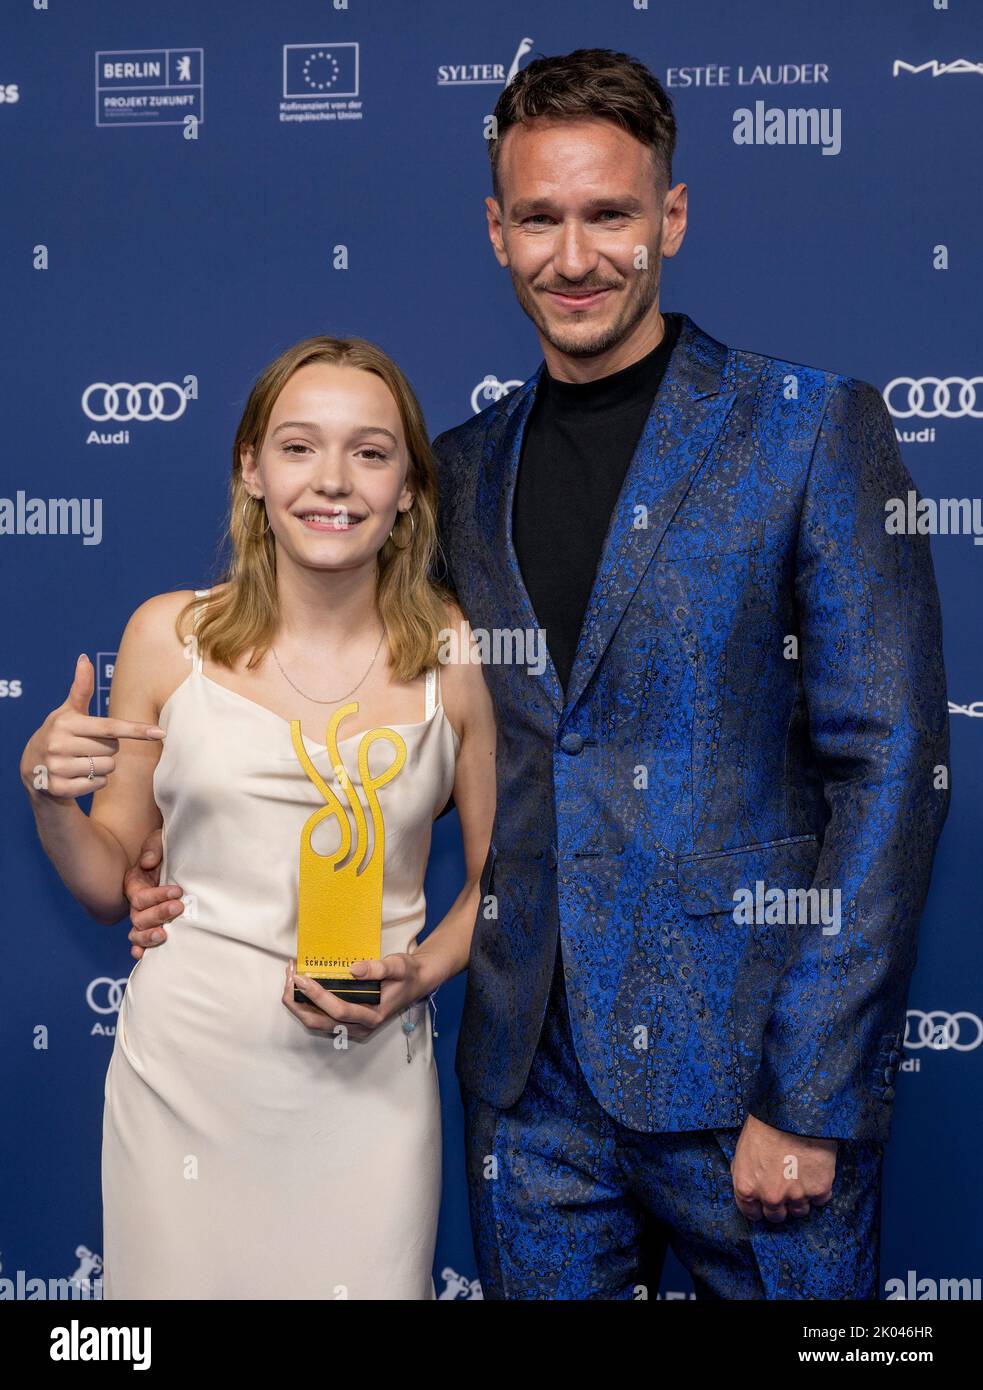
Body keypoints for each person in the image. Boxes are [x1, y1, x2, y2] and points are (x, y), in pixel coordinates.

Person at [427, 49, 947, 1298]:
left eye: (607, 212)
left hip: (755, 1092)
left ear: (670, 214)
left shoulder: (810, 427)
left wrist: (811, 1089)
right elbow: (350, 681)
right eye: (539, 218)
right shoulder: (455, 471)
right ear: (495, 230)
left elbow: (889, 769)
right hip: (531, 1092)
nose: (573, 256)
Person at [19, 336, 496, 1300]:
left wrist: (419, 972)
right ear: (250, 469)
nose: (332, 481)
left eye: (369, 451)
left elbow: (499, 881)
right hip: (186, 1078)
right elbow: (112, 884)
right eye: (296, 447)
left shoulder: (455, 650)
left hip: (367, 1079)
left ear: (408, 486)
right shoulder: (169, 638)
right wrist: (47, 795)